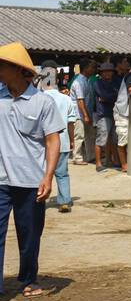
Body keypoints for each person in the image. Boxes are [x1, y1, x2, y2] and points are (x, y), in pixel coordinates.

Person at [0, 42, 61, 296]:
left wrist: (48, 176)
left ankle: (28, 280)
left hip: (31, 182)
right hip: (1, 181)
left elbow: (52, 140)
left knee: (30, 236)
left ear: (16, 69)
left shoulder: (43, 102)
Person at [40, 67, 77, 213]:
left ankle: (39, 198)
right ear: (56, 81)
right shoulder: (66, 99)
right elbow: (71, 122)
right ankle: (65, 201)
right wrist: (72, 139)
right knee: (62, 173)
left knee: (41, 173)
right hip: (62, 142)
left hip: (43, 144)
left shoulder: (38, 97)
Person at [92, 59, 120, 170]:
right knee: (101, 139)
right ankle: (98, 163)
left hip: (115, 113)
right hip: (103, 115)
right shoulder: (97, 83)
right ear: (101, 73)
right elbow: (106, 95)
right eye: (105, 71)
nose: (107, 73)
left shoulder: (116, 82)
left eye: (109, 71)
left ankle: (115, 161)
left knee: (114, 139)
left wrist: (107, 98)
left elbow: (115, 96)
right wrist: (111, 97)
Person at [69, 60, 93, 165]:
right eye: (92, 67)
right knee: (79, 135)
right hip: (79, 114)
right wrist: (86, 115)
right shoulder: (79, 82)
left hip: (85, 113)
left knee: (88, 135)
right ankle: (77, 157)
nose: (94, 70)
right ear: (86, 68)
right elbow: (80, 100)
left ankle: (90, 155)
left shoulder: (86, 80)